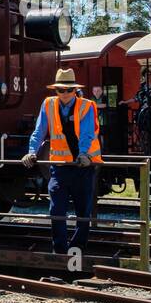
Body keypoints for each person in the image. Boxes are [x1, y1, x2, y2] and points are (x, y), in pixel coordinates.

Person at [22, 68, 103, 254]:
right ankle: (59, 251)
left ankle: (77, 250)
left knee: (83, 212)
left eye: (69, 89)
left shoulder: (87, 106)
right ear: (55, 90)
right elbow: (39, 130)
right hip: (59, 168)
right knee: (56, 210)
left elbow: (87, 133)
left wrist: (83, 154)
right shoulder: (48, 104)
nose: (65, 93)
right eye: (61, 90)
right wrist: (31, 152)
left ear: (75, 90)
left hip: (82, 166)